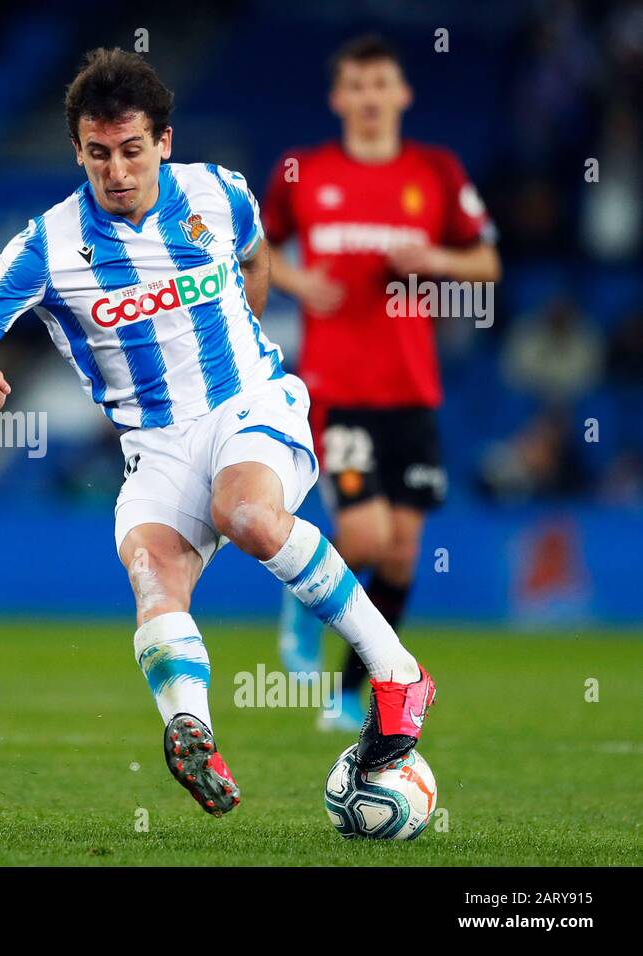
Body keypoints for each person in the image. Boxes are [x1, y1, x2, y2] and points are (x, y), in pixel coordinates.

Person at [0, 48, 435, 818]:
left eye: (132, 150)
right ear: (78, 151)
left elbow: (258, 261)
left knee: (251, 516)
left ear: (164, 141)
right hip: (153, 446)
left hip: (249, 405)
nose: (116, 171)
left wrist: (243, 352)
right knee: (153, 575)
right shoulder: (47, 245)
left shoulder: (218, 191)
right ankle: (191, 730)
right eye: (98, 155)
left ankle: (398, 673)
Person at [261, 35, 500, 730]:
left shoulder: (436, 171)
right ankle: (301, 602)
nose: (369, 98)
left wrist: (433, 258)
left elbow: (487, 264)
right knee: (362, 541)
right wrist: (301, 279)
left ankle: (347, 693)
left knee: (401, 554)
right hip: (337, 388)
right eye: (356, 86)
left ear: (402, 94)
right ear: (338, 98)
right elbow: (255, 248)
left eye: (381, 85)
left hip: (412, 390)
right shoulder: (302, 171)